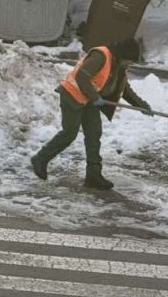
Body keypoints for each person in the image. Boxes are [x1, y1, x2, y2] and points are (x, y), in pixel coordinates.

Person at [30, 37, 152, 191]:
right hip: (72, 95)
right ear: (123, 55)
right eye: (129, 61)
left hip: (89, 99)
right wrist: (95, 97)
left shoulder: (118, 66)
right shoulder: (101, 56)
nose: (130, 64)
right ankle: (40, 159)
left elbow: (124, 89)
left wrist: (141, 105)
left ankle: (93, 175)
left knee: (94, 134)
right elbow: (82, 76)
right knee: (69, 133)